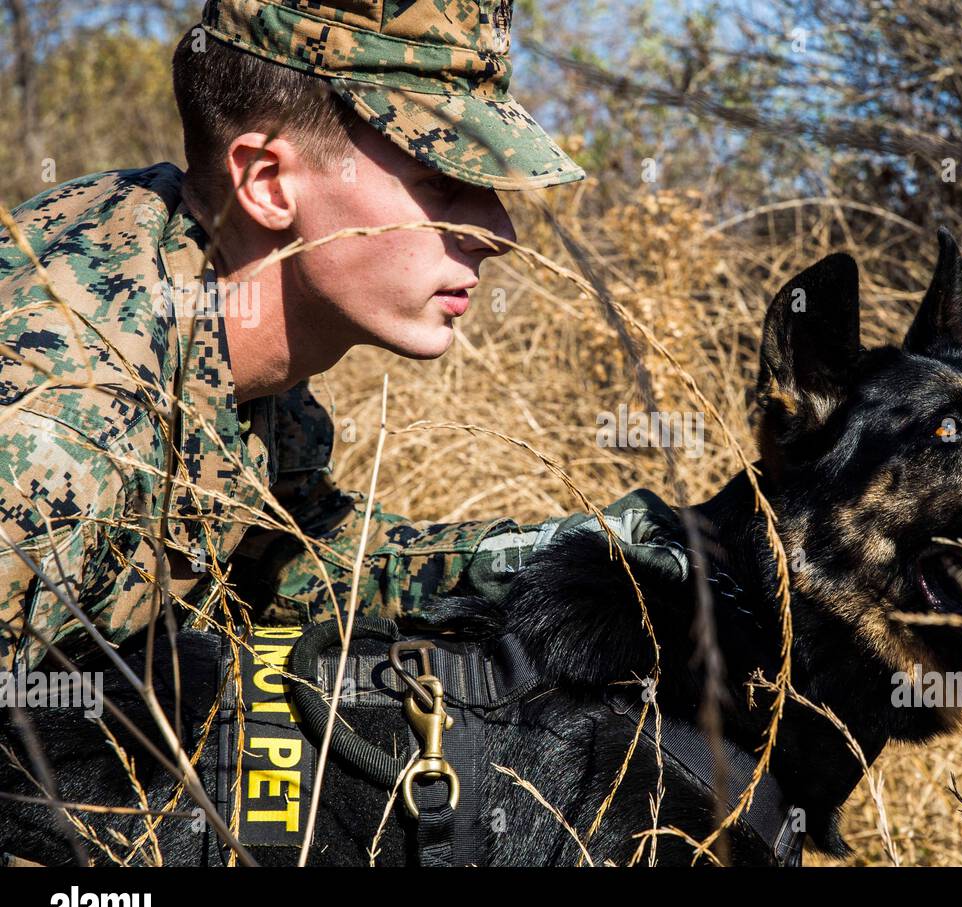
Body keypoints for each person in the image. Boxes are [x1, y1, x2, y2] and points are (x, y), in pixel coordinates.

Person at [0, 0, 683, 672]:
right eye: (443, 180)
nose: (498, 232)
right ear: (267, 183)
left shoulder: (200, 278)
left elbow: (301, 561)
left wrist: (577, 549)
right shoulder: (58, 434)